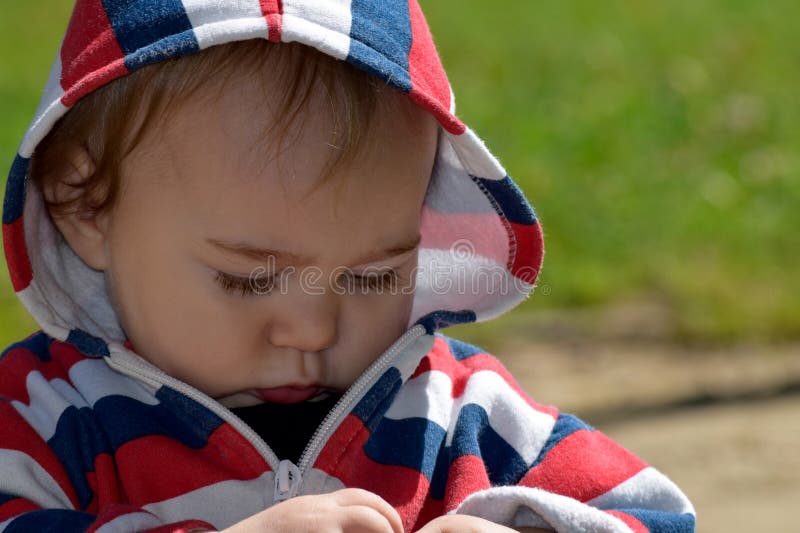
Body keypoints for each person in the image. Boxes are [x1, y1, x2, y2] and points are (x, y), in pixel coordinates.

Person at [0, 1, 695, 532]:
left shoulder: (462, 416)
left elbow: (657, 515)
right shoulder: (39, 419)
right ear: (86, 206)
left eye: (372, 277)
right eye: (250, 278)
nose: (311, 327)